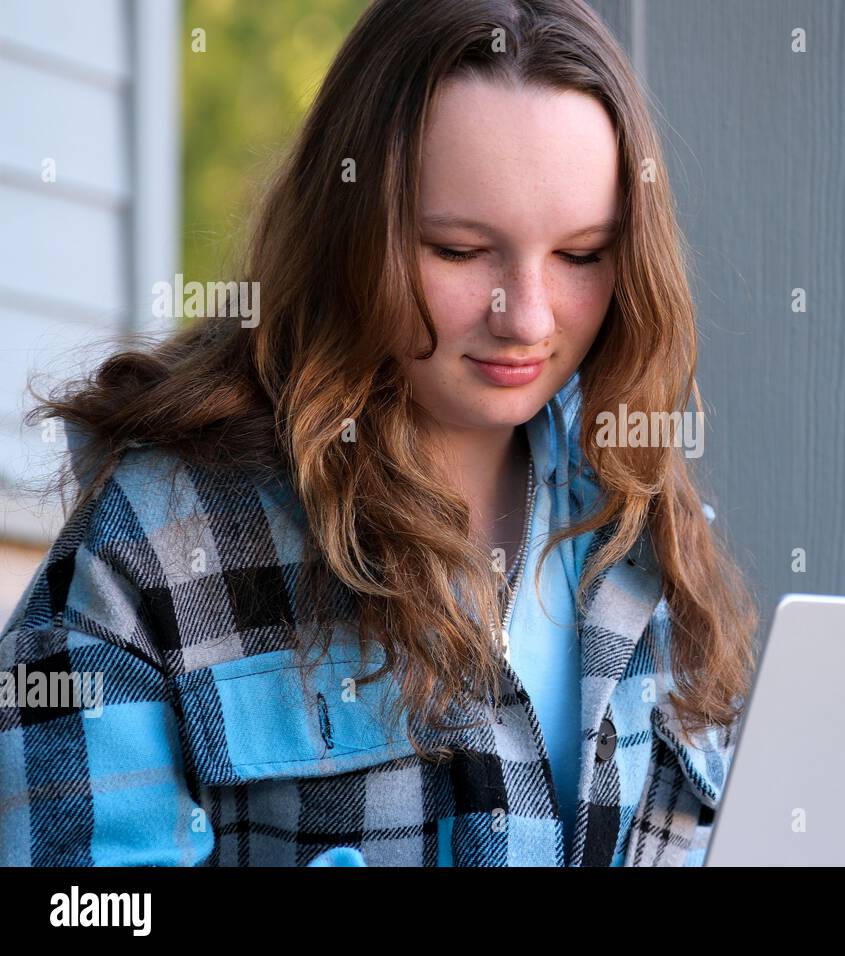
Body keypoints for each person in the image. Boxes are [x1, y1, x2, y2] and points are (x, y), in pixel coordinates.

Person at [0, 0, 757, 867]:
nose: (529, 318)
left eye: (581, 255)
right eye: (460, 251)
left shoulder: (643, 524)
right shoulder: (152, 542)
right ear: (349, 233)